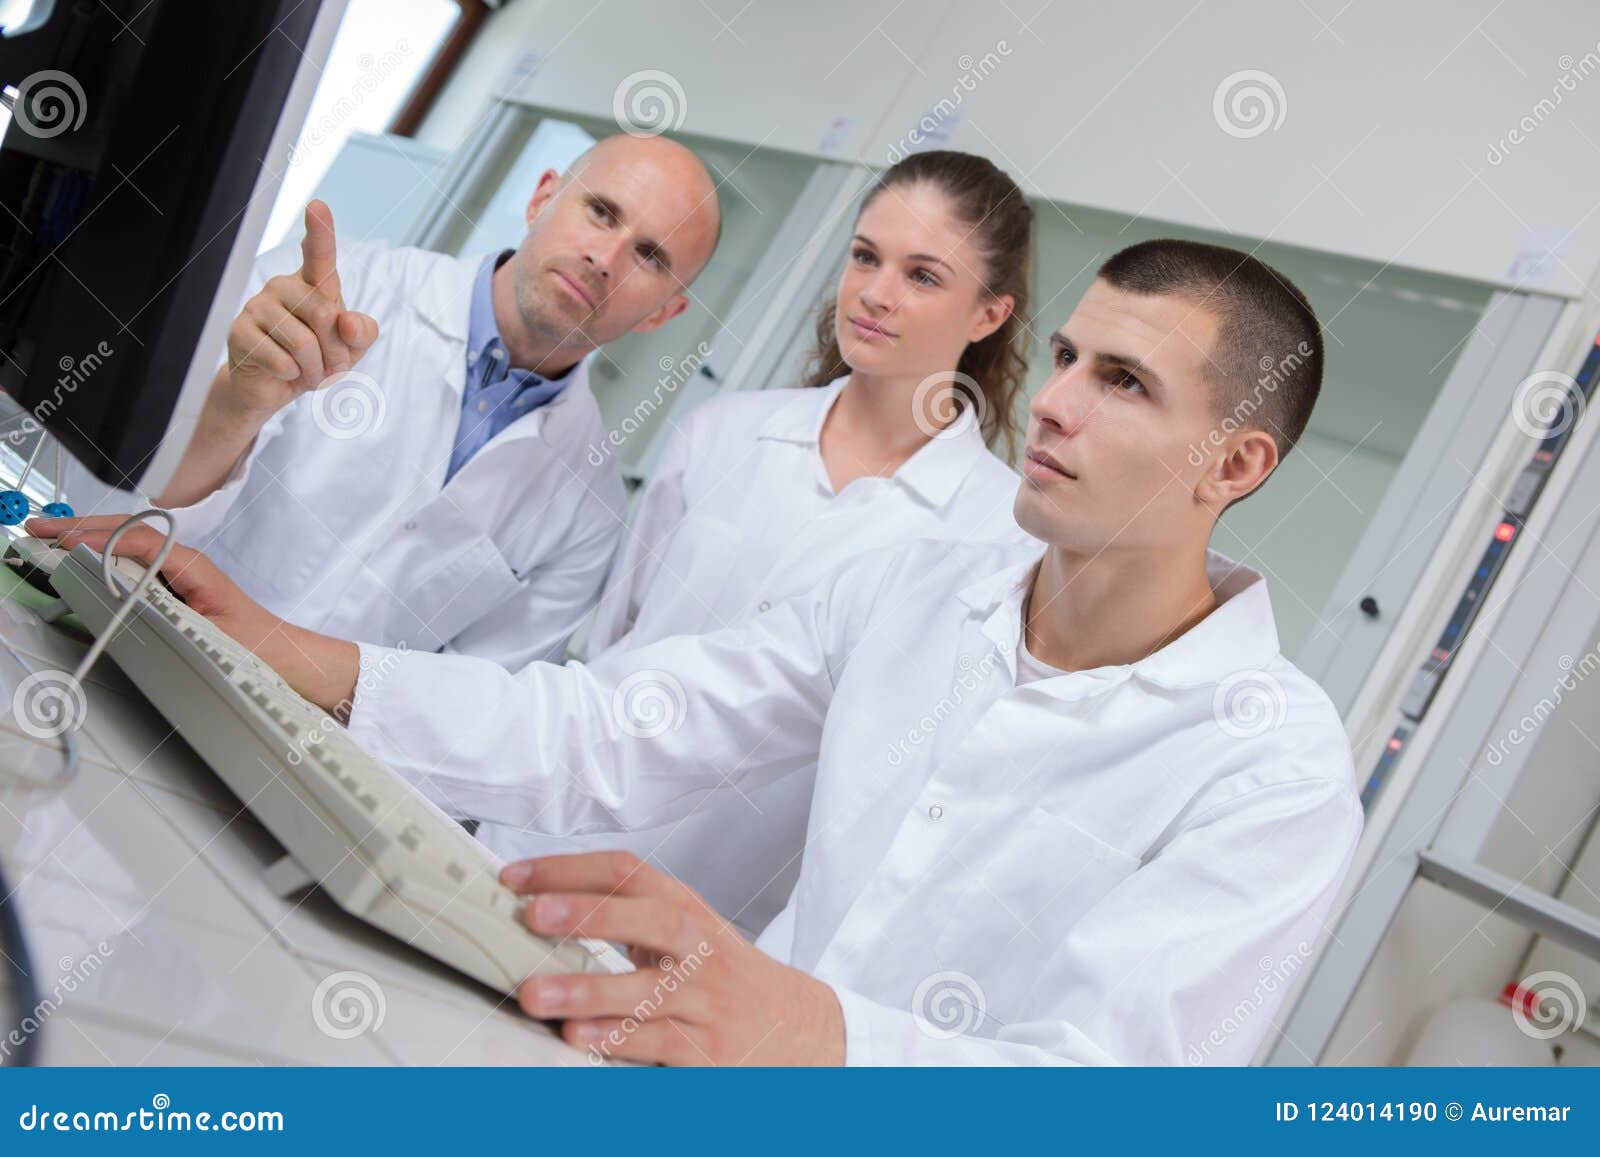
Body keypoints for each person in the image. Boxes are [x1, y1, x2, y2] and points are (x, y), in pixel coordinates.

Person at [34, 239, 1360, 1066]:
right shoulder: (921, 587)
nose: (1057, 401)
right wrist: (296, 653)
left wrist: (817, 1035)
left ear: (1233, 461)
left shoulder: (1273, 769)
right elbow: (616, 723)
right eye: (1066, 355)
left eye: (1123, 382)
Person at [489, 151, 1037, 933]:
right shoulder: (722, 433)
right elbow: (616, 637)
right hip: (540, 846)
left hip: (709, 930)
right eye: (864, 257)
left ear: (988, 314)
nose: (875, 294)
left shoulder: (998, 539)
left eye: (923, 276)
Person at [70, 134, 722, 670]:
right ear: (542, 196)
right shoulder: (329, 296)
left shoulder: (590, 511)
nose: (604, 258)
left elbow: (468, 709)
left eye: (650, 256)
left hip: (287, 771)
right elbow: (107, 498)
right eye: (601, 211)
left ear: (665, 312)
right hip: (116, 638)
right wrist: (237, 405)